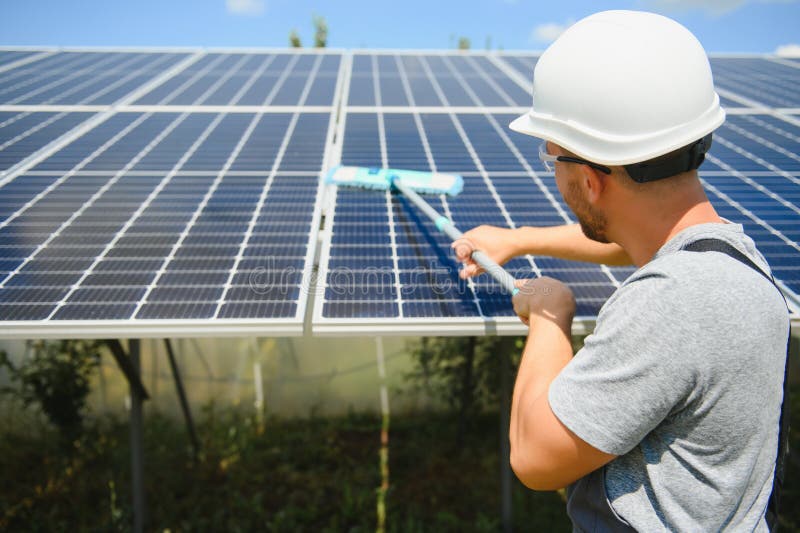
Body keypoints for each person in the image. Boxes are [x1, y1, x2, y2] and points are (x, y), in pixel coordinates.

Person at [452, 10, 790, 532]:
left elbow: (536, 457)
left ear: (589, 181)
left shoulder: (672, 304)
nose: (554, 172)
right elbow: (633, 241)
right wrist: (519, 239)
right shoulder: (730, 259)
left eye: (553, 160)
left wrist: (548, 318)